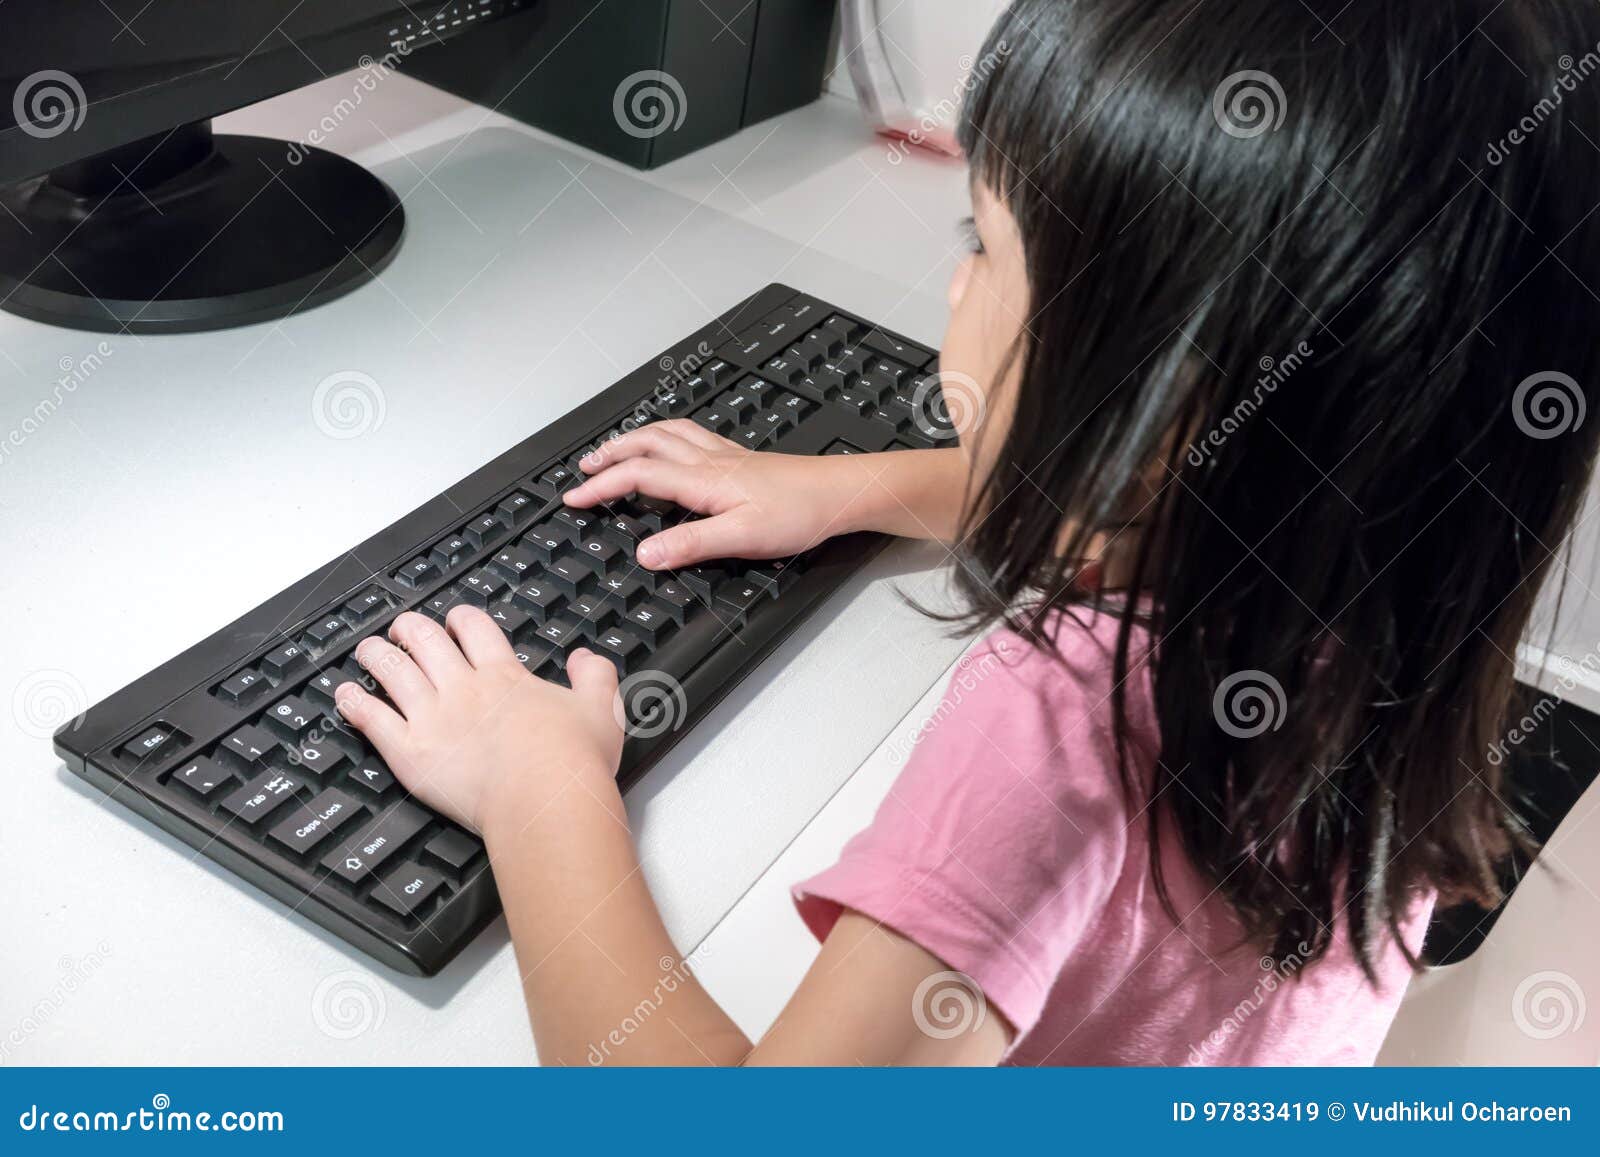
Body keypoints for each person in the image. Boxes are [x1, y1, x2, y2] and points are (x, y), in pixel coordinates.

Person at [332, 0, 1600, 1064]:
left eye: (981, 243)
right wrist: (863, 485)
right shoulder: (1397, 611)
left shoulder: (1065, 732)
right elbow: (1214, 491)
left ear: (1154, 401)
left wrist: (540, 791)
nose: (950, 285)